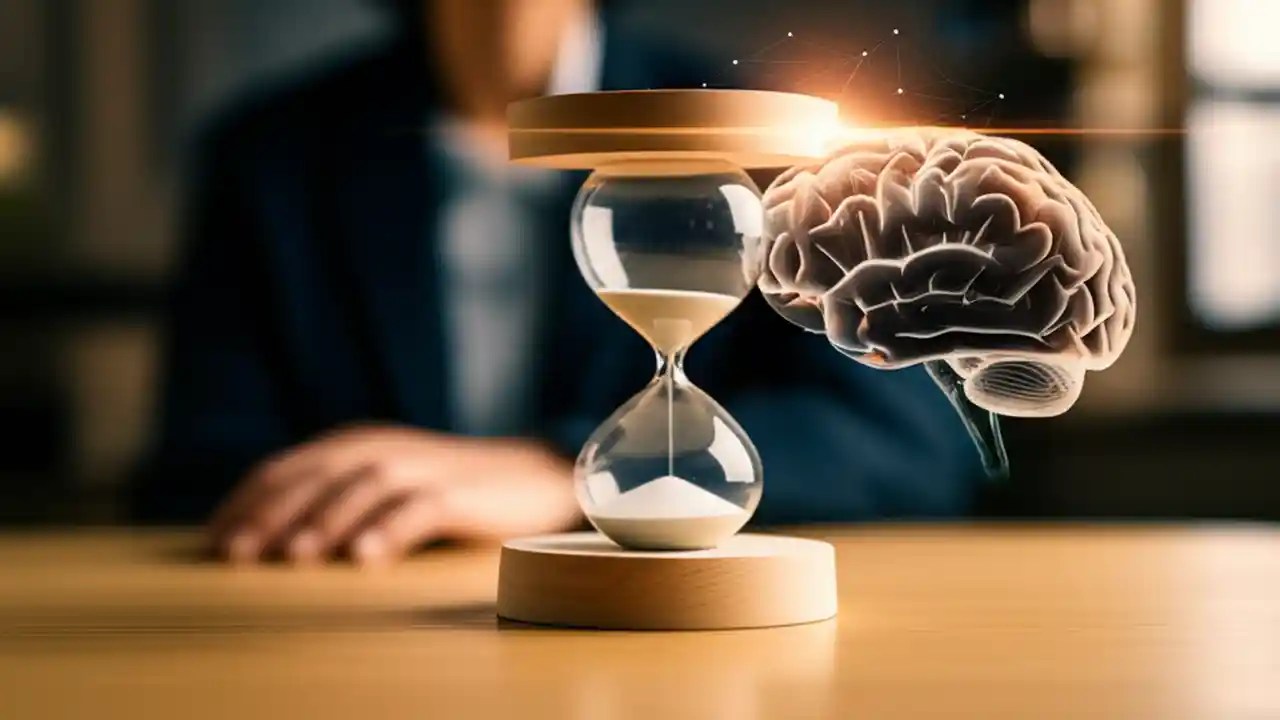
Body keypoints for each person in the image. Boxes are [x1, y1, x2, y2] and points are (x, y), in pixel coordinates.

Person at [139, 0, 982, 564]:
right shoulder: (272, 157)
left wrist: (559, 472)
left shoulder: (754, 136)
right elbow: (205, 466)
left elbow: (910, 442)